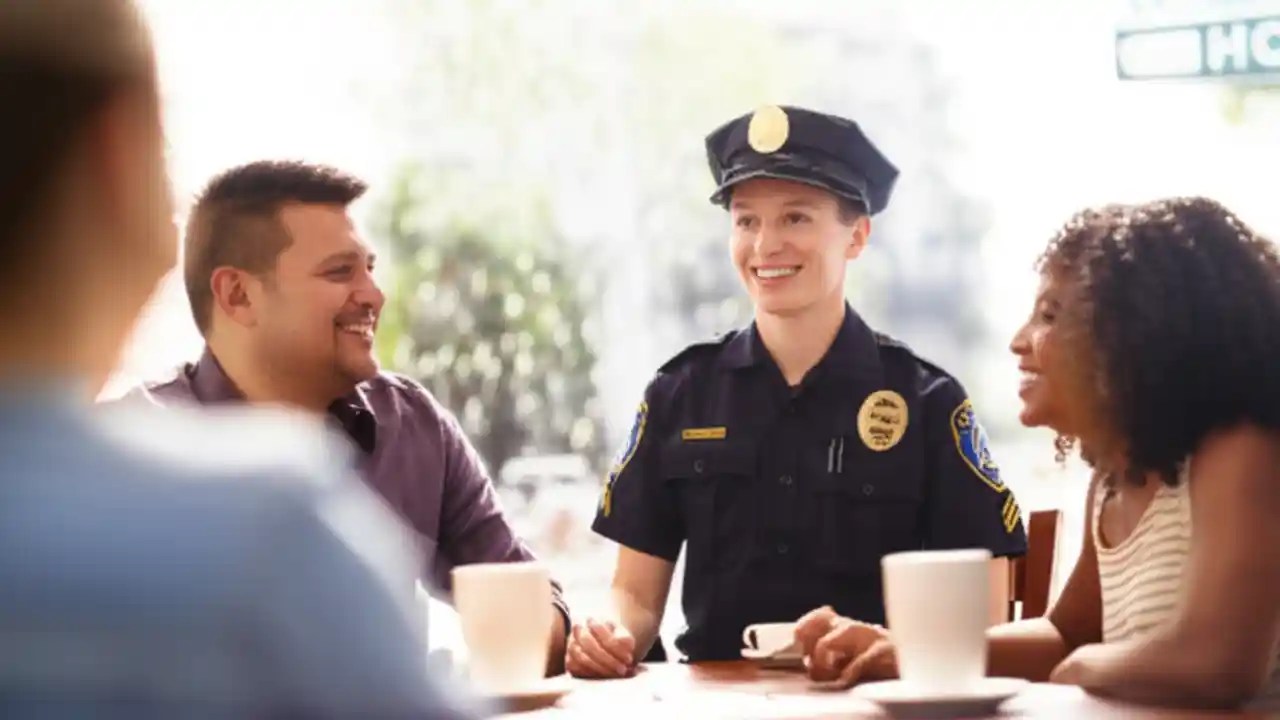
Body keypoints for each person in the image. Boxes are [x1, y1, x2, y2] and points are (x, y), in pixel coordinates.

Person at [0, 1, 478, 717]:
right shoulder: (261, 530)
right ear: (115, 155)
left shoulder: (410, 426)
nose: (373, 294)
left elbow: (522, 587)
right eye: (163, 150)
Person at [566, 105, 1027, 678]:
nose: (766, 245)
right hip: (716, 705)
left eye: (796, 218)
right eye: (746, 222)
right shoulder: (680, 393)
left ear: (857, 236)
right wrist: (608, 635)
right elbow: (634, 595)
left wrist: (899, 652)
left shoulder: (927, 401)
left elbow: (985, 614)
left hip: (871, 700)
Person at [795, 197, 1280, 711]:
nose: (1019, 341)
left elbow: (1217, 664)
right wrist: (908, 651)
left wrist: (1081, 668)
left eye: (1049, 315)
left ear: (1136, 332)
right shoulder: (1113, 480)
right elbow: (1066, 634)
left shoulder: (1239, 448)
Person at [120, 159, 569, 674]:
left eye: (369, 269)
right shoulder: (129, 451)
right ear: (238, 295)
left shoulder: (413, 427)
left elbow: (528, 602)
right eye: (340, 272)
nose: (374, 295)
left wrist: (565, 637)